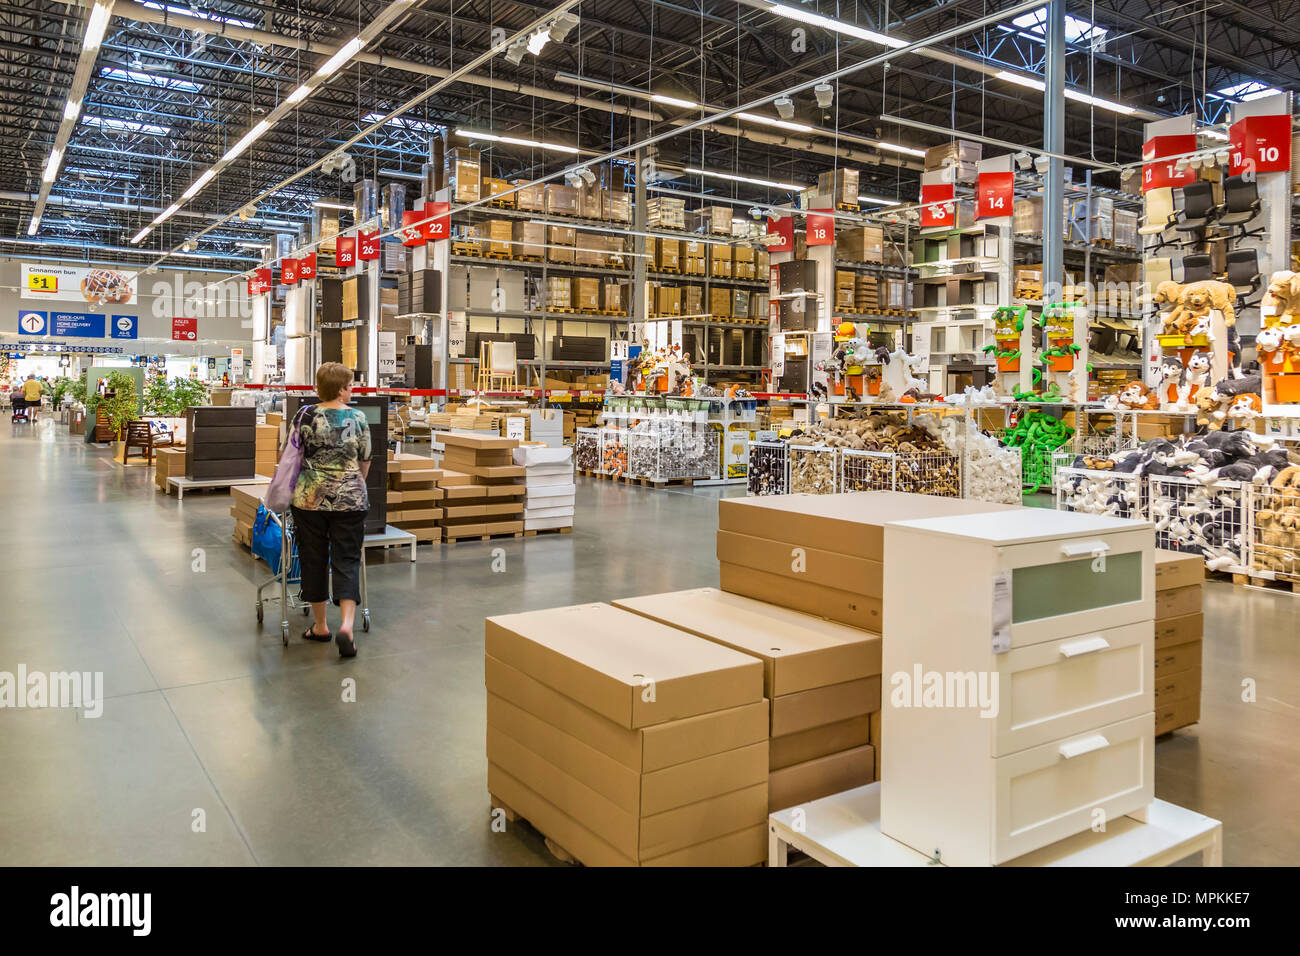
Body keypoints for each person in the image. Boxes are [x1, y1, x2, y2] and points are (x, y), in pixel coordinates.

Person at [289, 362, 372, 658]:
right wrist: (351, 483)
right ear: (340, 389)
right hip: (350, 500)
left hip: (309, 500)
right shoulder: (359, 417)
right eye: (350, 385)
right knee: (347, 559)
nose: (353, 390)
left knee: (313, 559)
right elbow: (365, 459)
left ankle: (321, 626)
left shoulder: (305, 415)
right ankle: (347, 625)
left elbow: (291, 455)